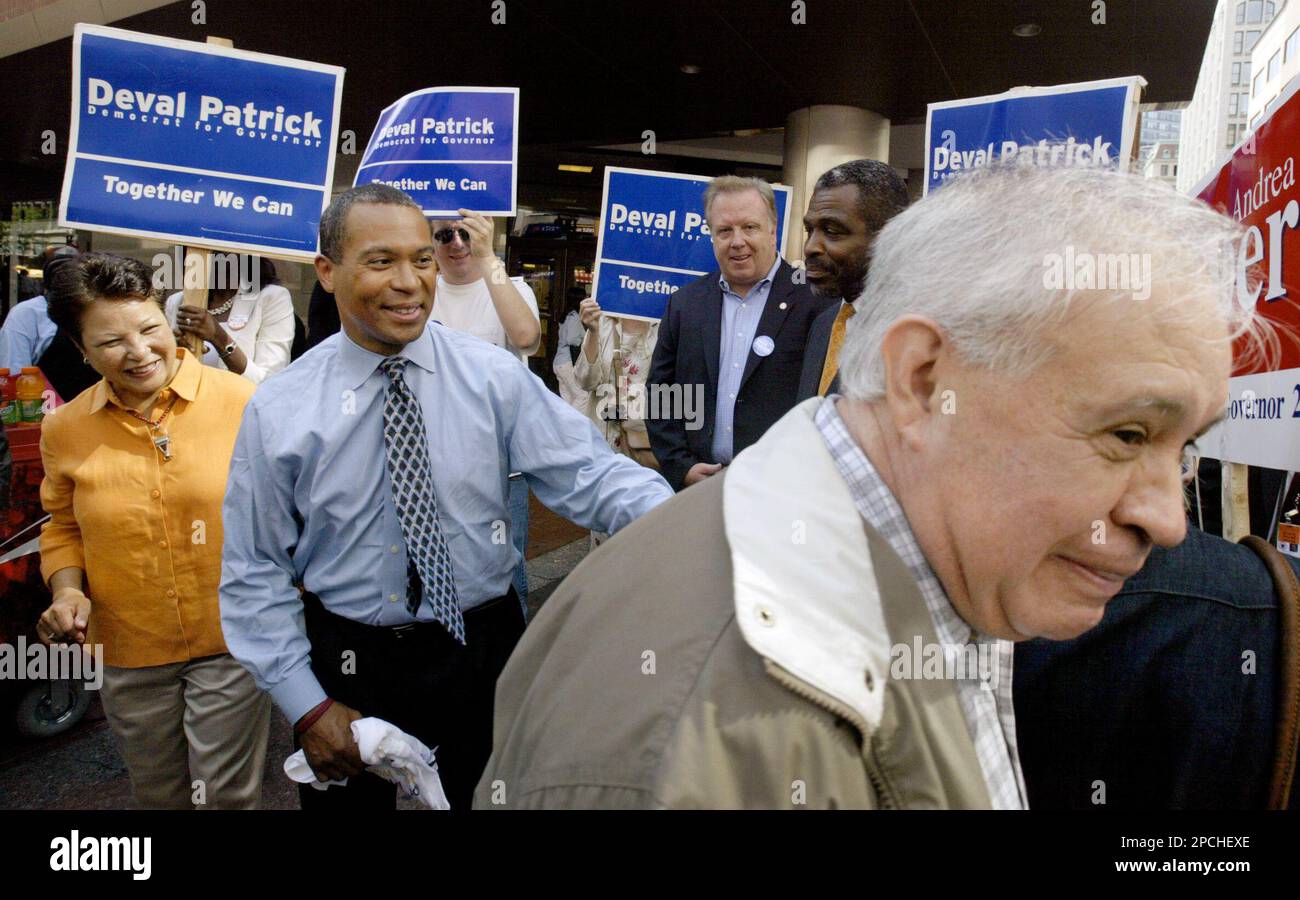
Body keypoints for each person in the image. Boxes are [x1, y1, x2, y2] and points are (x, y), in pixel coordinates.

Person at [474, 163, 1261, 809]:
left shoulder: (958, 567)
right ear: (921, 379)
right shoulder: (687, 749)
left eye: (1184, 447)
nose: (1166, 519)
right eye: (1127, 434)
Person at [219, 184, 673, 811]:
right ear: (327, 272)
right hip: (348, 661)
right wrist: (308, 707)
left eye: (422, 258)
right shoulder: (279, 408)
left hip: (481, 652)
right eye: (381, 261)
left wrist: (693, 521)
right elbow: (253, 573)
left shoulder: (492, 375)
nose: (410, 282)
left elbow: (591, 476)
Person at [35, 253, 271, 809]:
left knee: (223, 798)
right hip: (128, 647)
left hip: (230, 640)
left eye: (149, 329)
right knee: (159, 796)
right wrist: (67, 590)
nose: (140, 353)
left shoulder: (243, 402)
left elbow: (287, 512)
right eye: (112, 342)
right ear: (81, 350)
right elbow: (63, 525)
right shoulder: (64, 429)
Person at [647, 175, 835, 491]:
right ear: (711, 235)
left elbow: (828, 401)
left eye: (749, 227)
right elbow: (663, 395)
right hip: (700, 489)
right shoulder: (685, 304)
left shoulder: (816, 301)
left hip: (782, 492)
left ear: (773, 229)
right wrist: (682, 467)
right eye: (724, 230)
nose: (737, 241)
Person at [429, 209, 541, 608]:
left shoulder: (506, 286)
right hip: (432, 464)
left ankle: (509, 670)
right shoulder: (423, 291)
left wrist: (490, 255)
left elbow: (527, 338)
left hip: (500, 467)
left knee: (510, 579)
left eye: (466, 233)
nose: (457, 244)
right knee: (438, 578)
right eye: (445, 236)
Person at [796, 159, 911, 400]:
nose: (810, 247)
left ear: (888, 236)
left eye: (832, 231)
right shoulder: (823, 325)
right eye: (810, 230)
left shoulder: (916, 334)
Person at [166, 256, 295, 385]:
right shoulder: (177, 302)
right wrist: (174, 353)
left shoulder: (271, 297)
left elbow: (270, 382)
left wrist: (218, 337)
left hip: (240, 403)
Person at [573, 295, 659, 468]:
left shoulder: (667, 322)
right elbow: (585, 382)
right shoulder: (604, 319)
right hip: (601, 445)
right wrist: (593, 330)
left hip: (643, 445)